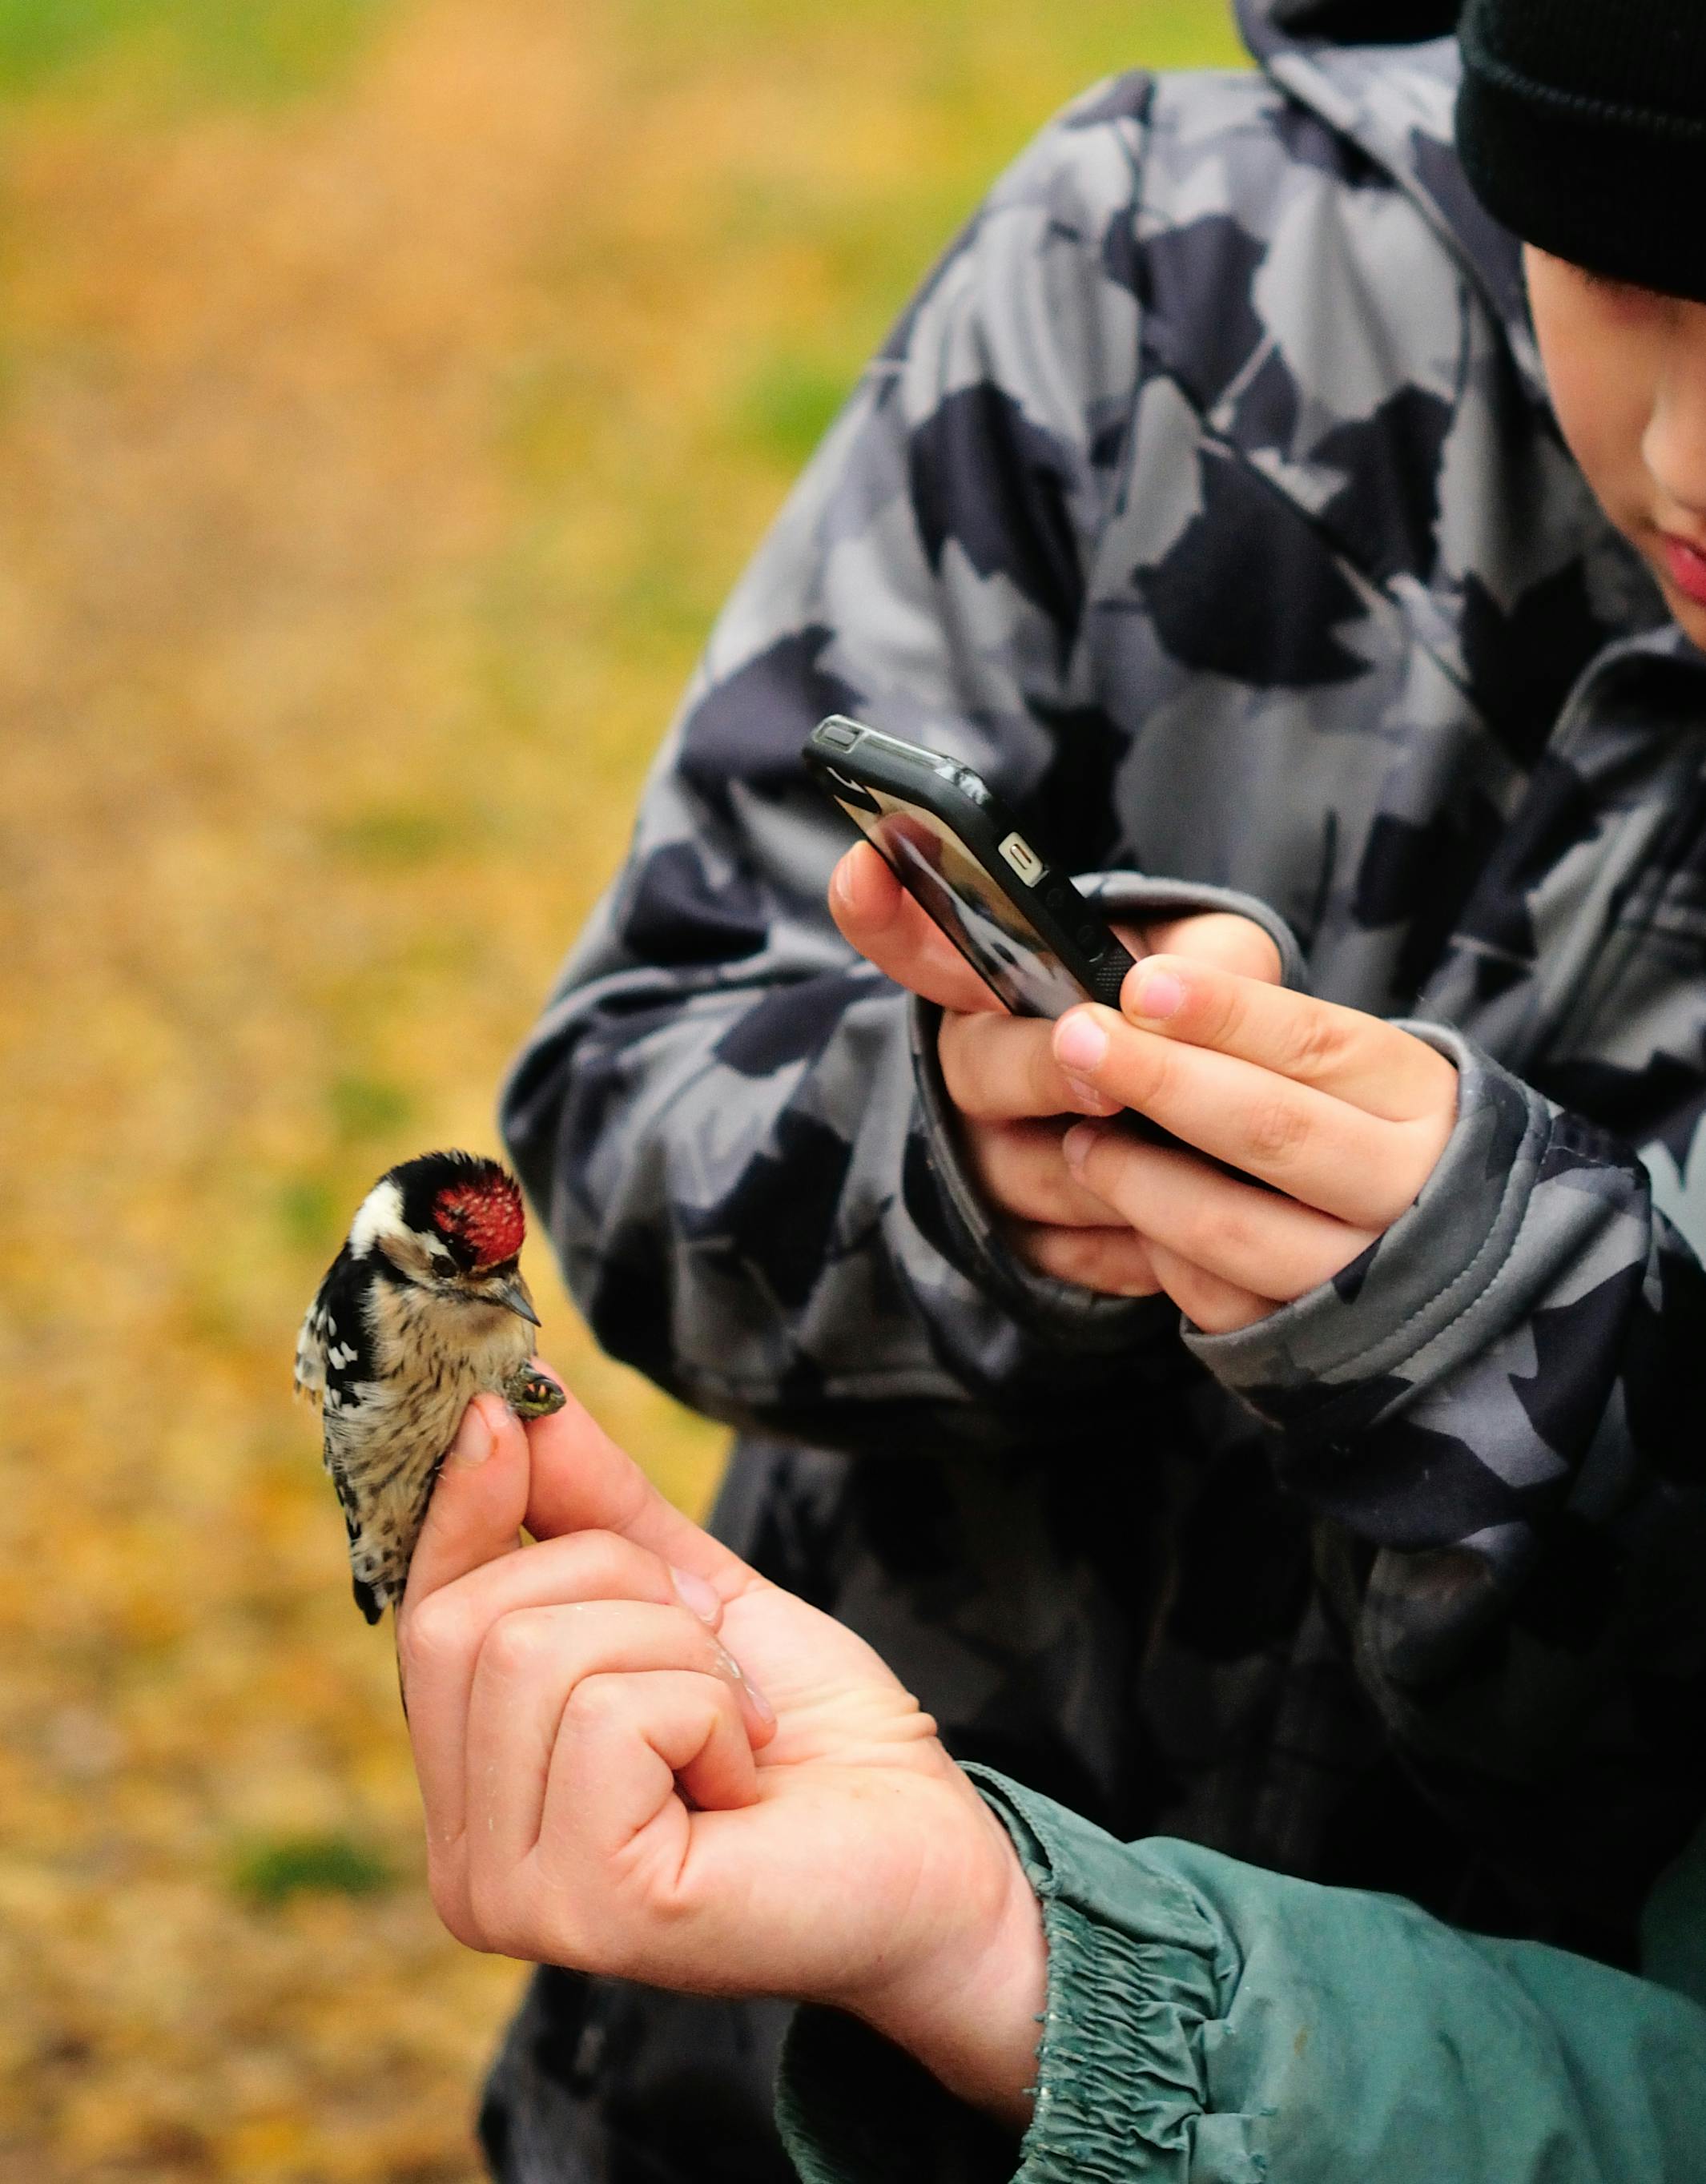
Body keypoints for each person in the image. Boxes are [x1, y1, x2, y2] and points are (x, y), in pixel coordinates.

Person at [457, 0, 1706, 2174]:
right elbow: (617, 1100)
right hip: (755, 2063)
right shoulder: (1160, 269)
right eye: (1620, 273)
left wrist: (1507, 1337)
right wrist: (965, 1175)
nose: (1693, 452)